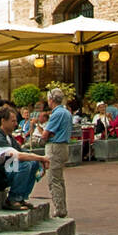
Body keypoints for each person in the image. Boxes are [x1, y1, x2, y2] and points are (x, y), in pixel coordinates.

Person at [0, 106, 48, 209]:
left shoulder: (7, 136)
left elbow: (21, 151)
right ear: (3, 121)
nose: (16, 124)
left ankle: (21, 197)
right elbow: (17, 155)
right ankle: (13, 199)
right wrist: (42, 158)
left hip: (0, 171)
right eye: (13, 121)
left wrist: (38, 161)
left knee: (33, 163)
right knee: (24, 165)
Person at [43, 87, 73, 218]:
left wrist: (43, 137)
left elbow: (45, 134)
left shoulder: (56, 113)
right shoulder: (66, 112)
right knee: (59, 179)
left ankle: (59, 209)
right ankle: (62, 207)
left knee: (53, 179)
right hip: (64, 146)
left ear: (51, 99)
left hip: (55, 147)